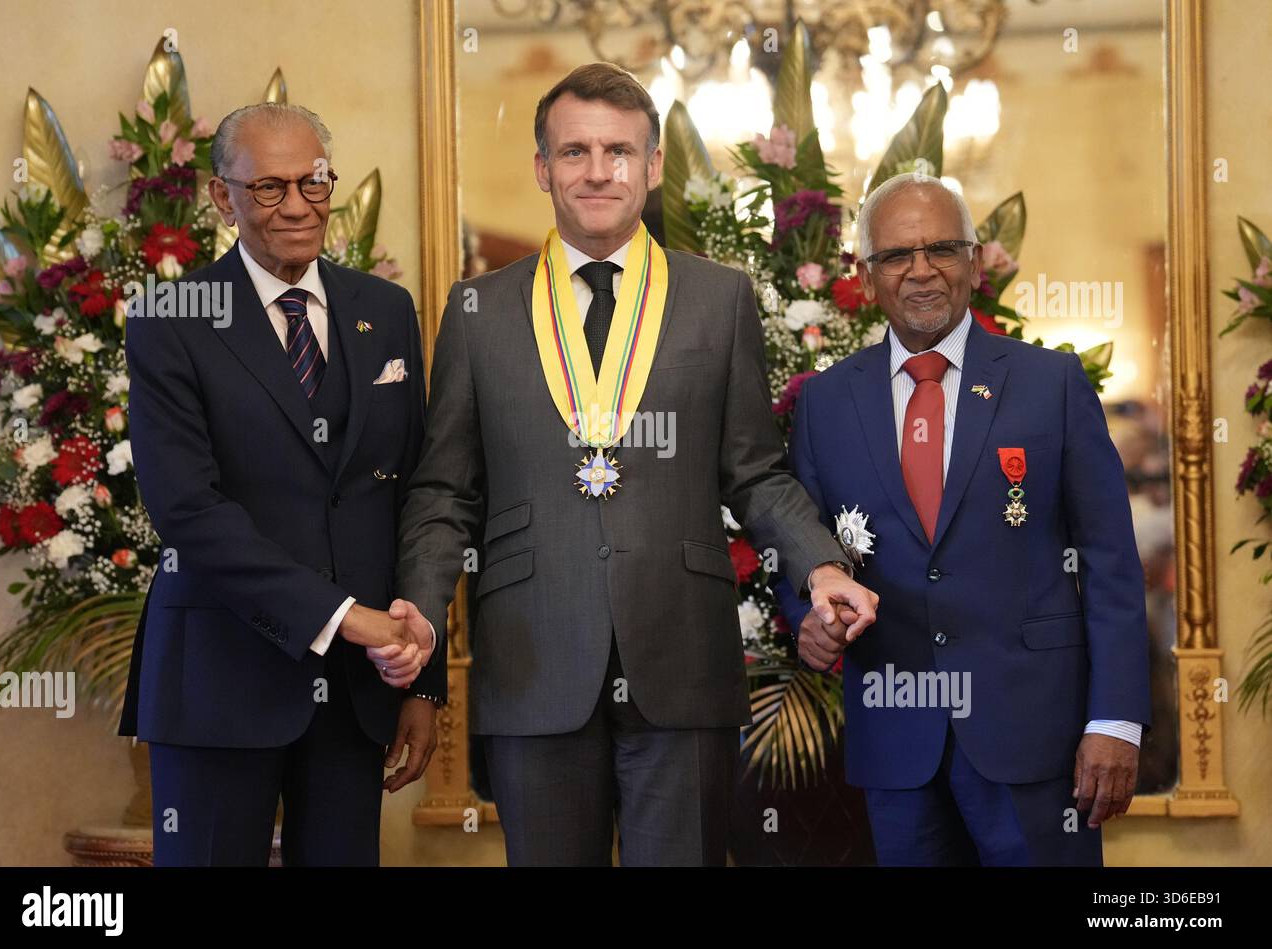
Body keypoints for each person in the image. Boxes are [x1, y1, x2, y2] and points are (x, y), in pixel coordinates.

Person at [379, 63, 878, 866]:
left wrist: (821, 567)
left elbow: (754, 471)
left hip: (681, 656)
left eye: (619, 150)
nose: (598, 170)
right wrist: (421, 611)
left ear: (652, 167)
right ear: (543, 169)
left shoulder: (720, 298)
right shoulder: (479, 311)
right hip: (533, 658)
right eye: (574, 151)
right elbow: (444, 489)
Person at [779, 172, 1150, 865]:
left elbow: (1110, 565)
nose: (921, 271)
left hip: (1035, 739)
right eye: (896, 255)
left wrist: (1117, 721)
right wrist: (808, 616)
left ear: (974, 262)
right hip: (894, 741)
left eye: (941, 249)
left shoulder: (1052, 385)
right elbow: (805, 548)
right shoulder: (826, 403)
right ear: (866, 274)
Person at [120, 103, 441, 866]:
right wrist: (343, 617)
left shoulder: (386, 311)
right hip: (220, 681)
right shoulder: (171, 316)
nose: (297, 205)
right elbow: (189, 511)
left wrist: (424, 677)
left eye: (313, 181)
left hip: (360, 697)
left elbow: (419, 493)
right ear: (219, 197)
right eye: (267, 188)